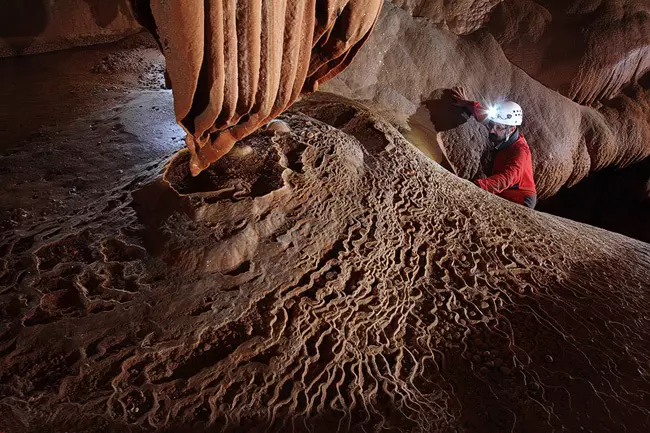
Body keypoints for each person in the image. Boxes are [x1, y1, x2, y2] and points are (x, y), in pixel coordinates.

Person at [451, 87, 537, 209]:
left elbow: (506, 179)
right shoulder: (501, 126)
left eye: (498, 128)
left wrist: (476, 186)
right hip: (502, 191)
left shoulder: (520, 151)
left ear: (511, 129)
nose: (491, 130)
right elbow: (482, 113)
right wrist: (466, 103)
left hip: (520, 199)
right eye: (491, 125)